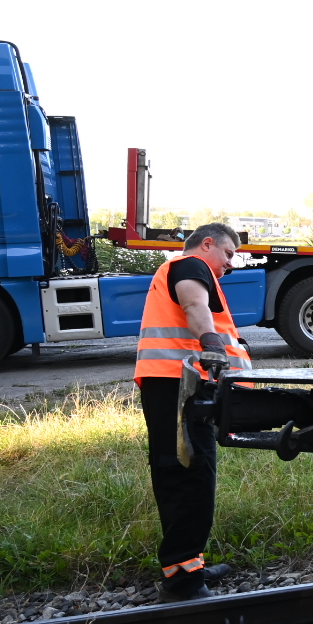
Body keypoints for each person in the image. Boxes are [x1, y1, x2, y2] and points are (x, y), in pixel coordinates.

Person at [134, 223, 254, 600]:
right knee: (188, 476)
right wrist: (211, 343)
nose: (230, 264)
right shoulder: (189, 265)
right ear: (207, 244)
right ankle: (183, 580)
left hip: (177, 384)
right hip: (176, 384)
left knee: (190, 473)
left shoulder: (187, 269)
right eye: (228, 254)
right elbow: (193, 303)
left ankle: (188, 565)